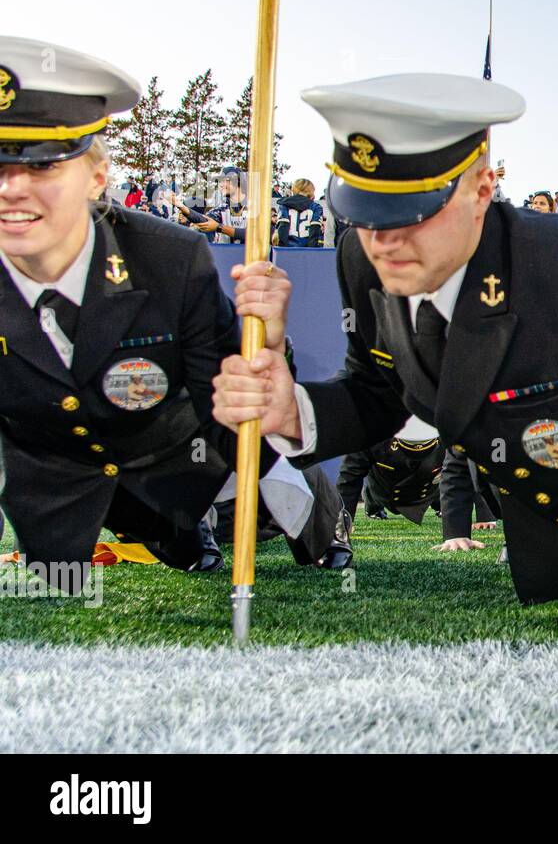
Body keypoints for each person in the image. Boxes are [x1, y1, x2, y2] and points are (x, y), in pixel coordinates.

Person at [212, 73, 558, 675]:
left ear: (482, 188)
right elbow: (376, 391)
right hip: (549, 527)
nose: (383, 241)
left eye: (410, 212)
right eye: (364, 212)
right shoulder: (361, 256)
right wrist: (294, 412)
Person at [0, 37, 347, 591]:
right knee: (166, 545)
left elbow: (235, 393)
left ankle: (317, 529)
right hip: (89, 492)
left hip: (190, 460)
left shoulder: (168, 256)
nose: (12, 189)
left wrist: (269, 348)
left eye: (42, 165)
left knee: (260, 419)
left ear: (94, 179)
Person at [275, 178, 326, 248]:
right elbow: (315, 230)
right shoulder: (316, 207)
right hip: (308, 250)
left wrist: (283, 249)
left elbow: (283, 227)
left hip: (287, 249)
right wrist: (312, 251)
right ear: (310, 191)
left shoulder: (284, 205)